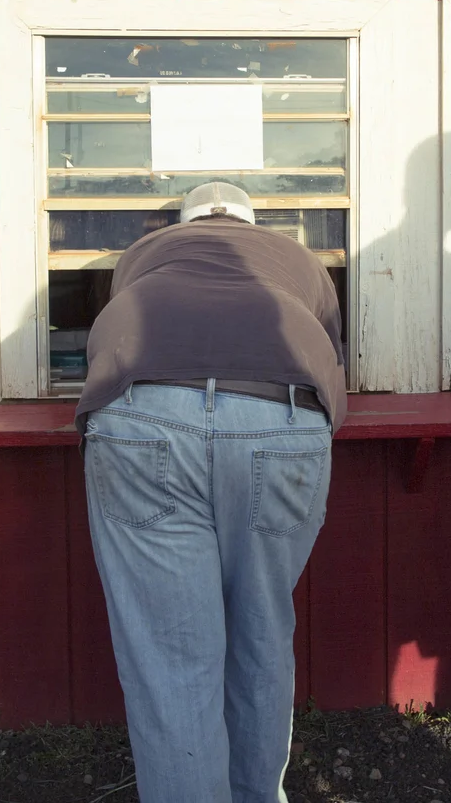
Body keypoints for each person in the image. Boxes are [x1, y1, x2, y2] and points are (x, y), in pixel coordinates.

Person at [76, 181, 346, 803]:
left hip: (145, 414)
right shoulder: (296, 257)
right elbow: (332, 356)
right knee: (262, 628)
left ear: (185, 221)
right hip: (280, 416)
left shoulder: (148, 251)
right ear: (252, 223)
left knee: (172, 655)